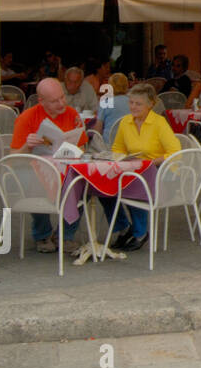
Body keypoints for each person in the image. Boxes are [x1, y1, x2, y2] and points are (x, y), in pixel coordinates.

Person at [10, 78, 87, 254]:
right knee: (35, 183)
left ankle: (65, 235)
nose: (61, 103)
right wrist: (27, 145)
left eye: (62, 97)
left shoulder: (71, 113)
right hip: (36, 171)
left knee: (86, 184)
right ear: (41, 101)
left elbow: (82, 147)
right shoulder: (27, 117)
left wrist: (74, 149)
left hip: (66, 168)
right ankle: (42, 234)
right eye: (54, 101)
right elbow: (13, 158)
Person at [104, 84, 182, 252]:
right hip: (133, 170)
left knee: (134, 182)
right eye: (131, 102)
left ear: (150, 104)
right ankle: (123, 228)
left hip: (161, 174)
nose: (133, 107)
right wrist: (123, 159)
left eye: (138, 104)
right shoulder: (126, 122)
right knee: (103, 188)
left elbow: (176, 153)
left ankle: (140, 232)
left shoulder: (159, 123)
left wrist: (150, 162)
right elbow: (117, 148)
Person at [97, 72, 132, 140]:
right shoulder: (134, 103)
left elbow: (98, 129)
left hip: (109, 144)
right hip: (129, 143)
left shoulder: (105, 102)